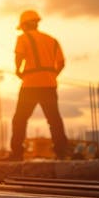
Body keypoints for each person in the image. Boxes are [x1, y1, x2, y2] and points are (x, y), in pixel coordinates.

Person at [8, 10, 68, 161]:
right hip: (49, 85)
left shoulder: (23, 38)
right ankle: (62, 152)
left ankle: (16, 154)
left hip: (30, 85)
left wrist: (18, 71)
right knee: (54, 119)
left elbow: (19, 57)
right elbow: (61, 63)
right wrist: (52, 76)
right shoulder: (52, 40)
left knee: (20, 119)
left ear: (25, 25)